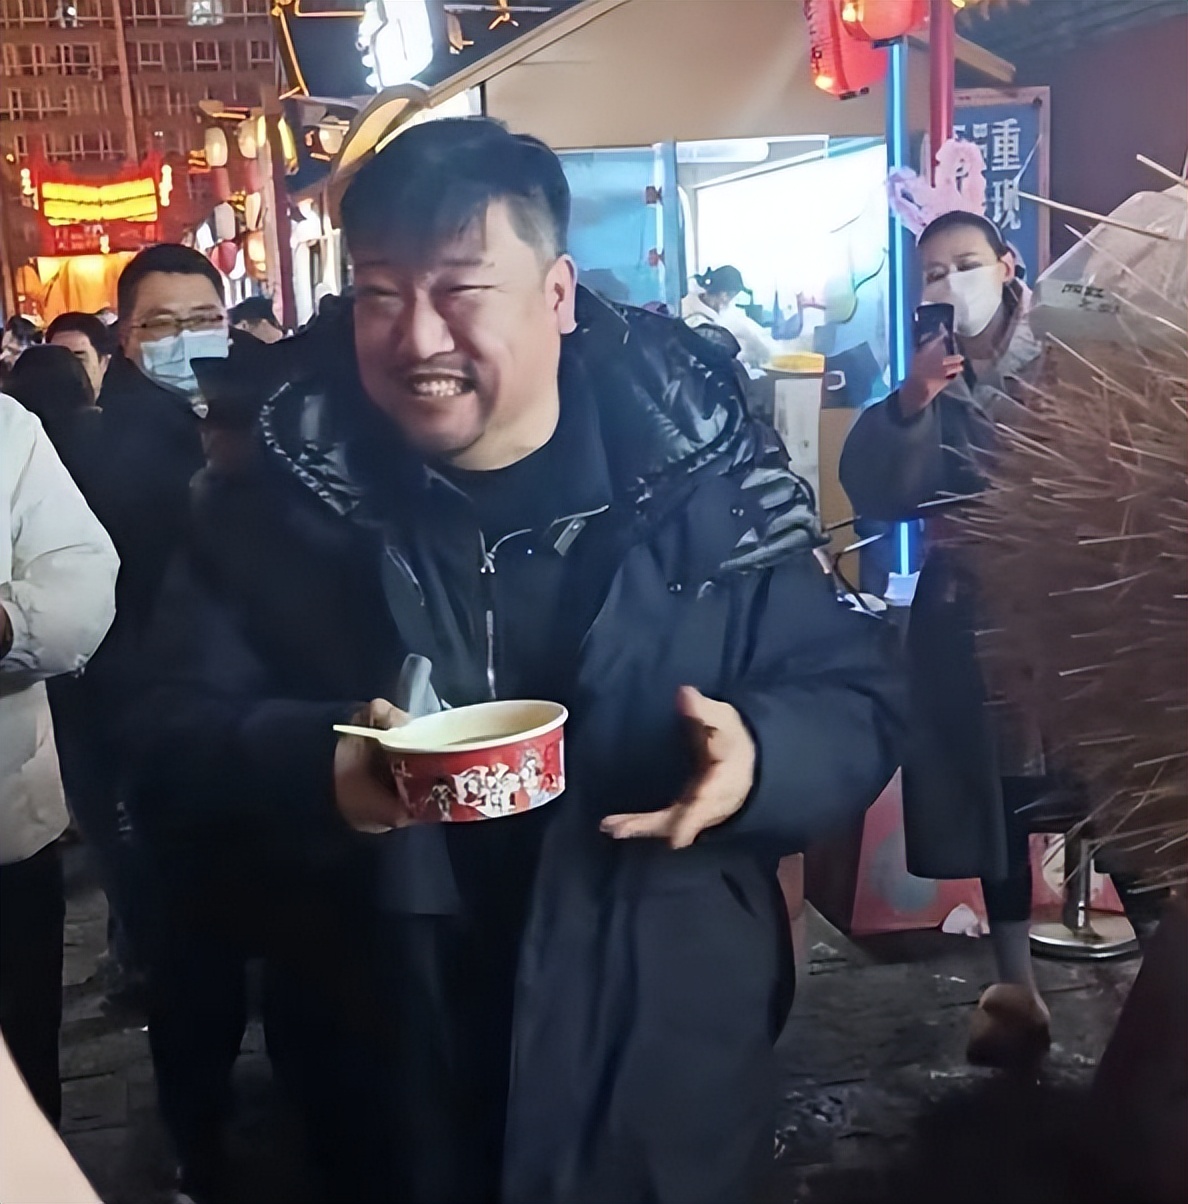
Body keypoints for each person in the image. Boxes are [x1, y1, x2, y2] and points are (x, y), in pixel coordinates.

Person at [127, 117, 905, 1204]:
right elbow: (164, 731)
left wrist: (758, 759)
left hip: (655, 1040)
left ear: (557, 294)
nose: (416, 336)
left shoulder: (704, 487)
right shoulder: (276, 507)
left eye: (460, 289)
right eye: (382, 292)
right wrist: (319, 766)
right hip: (385, 1047)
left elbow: (859, 695)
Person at [838, 207, 1166, 1068]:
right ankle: (1014, 989)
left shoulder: (1073, 341)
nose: (951, 284)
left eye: (966, 263)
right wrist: (912, 401)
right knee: (996, 803)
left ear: (1009, 264)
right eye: (934, 273)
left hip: (1076, 607)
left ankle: (1163, 993)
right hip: (970, 614)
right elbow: (879, 490)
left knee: (1114, 788)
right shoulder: (926, 377)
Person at [1, 394, 119, 1127]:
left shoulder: (7, 430)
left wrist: (8, 620)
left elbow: (81, 579)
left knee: (19, 1078)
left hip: (6, 833)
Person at [682, 265, 779, 369]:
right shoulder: (692, 317)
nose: (730, 301)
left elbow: (752, 334)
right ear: (724, 295)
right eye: (732, 296)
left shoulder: (726, 312)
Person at [46, 312, 112, 397]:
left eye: (78, 360)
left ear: (104, 363)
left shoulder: (127, 408)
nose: (68, 371)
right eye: (59, 361)